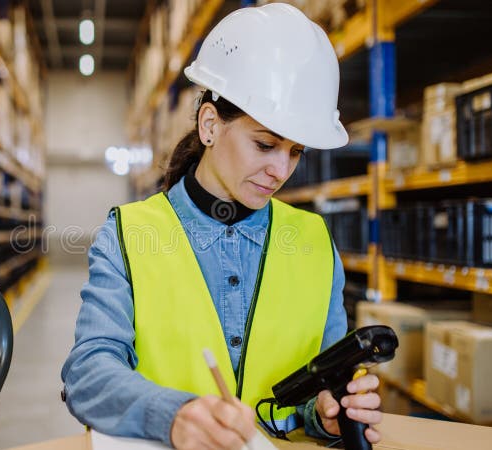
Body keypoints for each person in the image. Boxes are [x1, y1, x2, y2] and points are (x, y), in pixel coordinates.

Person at [61, 4, 382, 450]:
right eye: (265, 144)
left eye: (295, 152)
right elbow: (88, 373)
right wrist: (173, 415)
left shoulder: (313, 241)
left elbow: (320, 381)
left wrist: (327, 411)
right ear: (210, 124)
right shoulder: (130, 235)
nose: (280, 170)